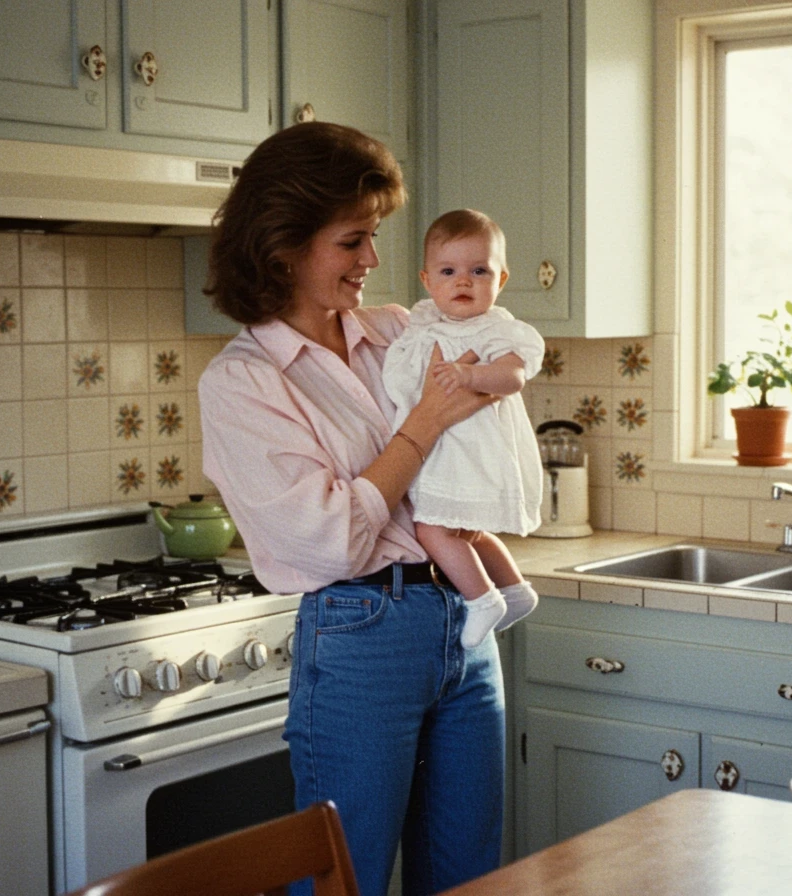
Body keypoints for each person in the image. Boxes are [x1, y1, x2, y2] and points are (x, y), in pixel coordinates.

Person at [197, 122, 506, 896]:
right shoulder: (244, 382)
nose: (373, 260)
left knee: (471, 878)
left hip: (464, 626)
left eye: (375, 238)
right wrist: (424, 425)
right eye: (352, 242)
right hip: (362, 634)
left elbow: (483, 444)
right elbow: (334, 542)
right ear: (284, 246)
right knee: (348, 881)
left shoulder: (400, 331)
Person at [382, 210, 544, 649]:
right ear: (427, 279)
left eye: (479, 271)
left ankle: (482, 599)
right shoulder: (422, 323)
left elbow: (513, 378)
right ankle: (515, 590)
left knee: (433, 529)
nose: (464, 282)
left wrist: (471, 376)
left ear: (501, 280)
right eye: (449, 271)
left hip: (471, 449)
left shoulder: (497, 329)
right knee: (465, 532)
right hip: (441, 448)